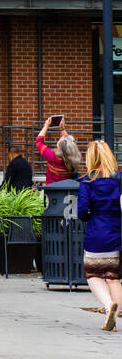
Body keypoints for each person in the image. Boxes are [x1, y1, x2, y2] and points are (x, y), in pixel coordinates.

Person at [78, 141, 122, 331]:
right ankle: (114, 316)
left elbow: (81, 211)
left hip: (96, 233)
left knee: (93, 274)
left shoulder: (87, 181)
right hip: (116, 232)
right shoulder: (119, 179)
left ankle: (108, 307)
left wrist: (90, 216)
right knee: (113, 277)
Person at [36, 118, 81, 184]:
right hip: (68, 191)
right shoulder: (74, 158)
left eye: (60, 138)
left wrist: (46, 125)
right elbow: (69, 143)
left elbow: (39, 142)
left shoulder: (51, 156)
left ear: (59, 144)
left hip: (52, 191)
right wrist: (62, 128)